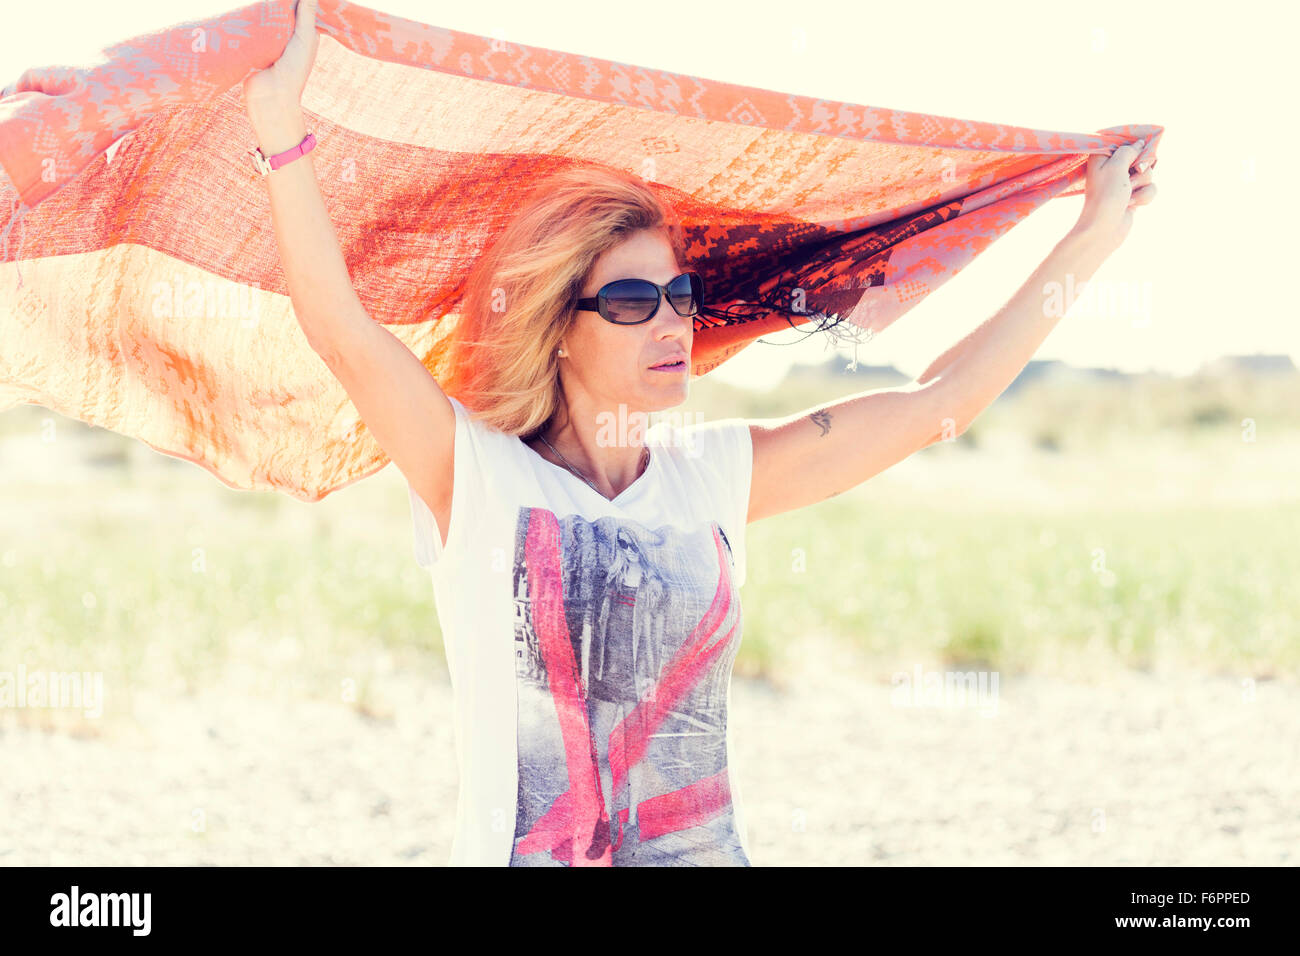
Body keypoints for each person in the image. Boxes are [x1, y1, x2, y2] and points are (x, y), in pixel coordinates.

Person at [242, 0, 1157, 867]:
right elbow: (342, 330)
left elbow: (937, 406)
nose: (673, 322)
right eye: (634, 302)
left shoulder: (712, 475)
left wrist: (1094, 232)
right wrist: (283, 133)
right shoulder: (474, 478)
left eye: (679, 296)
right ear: (560, 329)